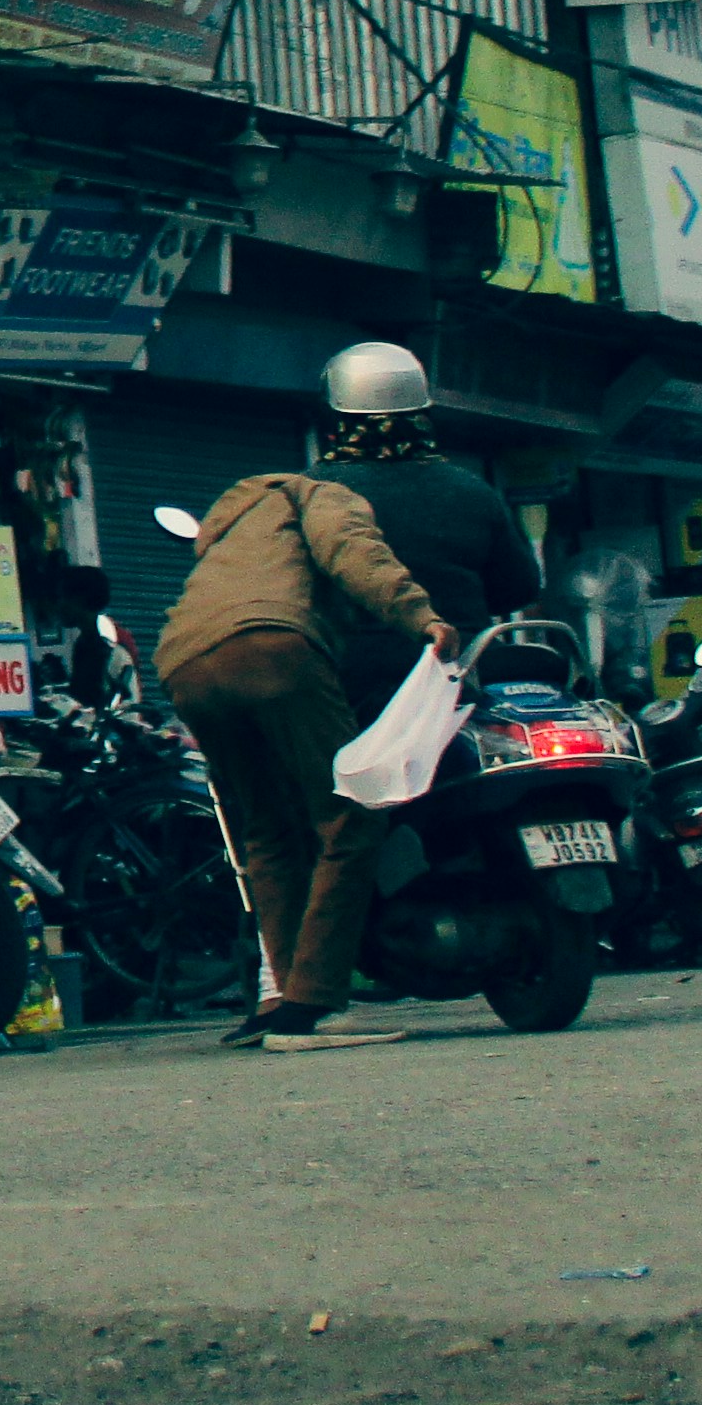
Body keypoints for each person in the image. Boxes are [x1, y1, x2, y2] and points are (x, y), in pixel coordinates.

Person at [156, 446, 456, 1054]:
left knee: (267, 829)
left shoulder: (232, 521)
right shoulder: (315, 495)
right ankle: (315, 998)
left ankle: (277, 1000)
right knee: (349, 816)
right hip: (273, 649)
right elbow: (355, 555)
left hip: (183, 667)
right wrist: (422, 617)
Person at [307, 342, 546, 706]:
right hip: (461, 678)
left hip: (348, 687)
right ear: (421, 412)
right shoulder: (472, 491)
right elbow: (518, 589)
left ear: (333, 418)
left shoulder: (307, 494)